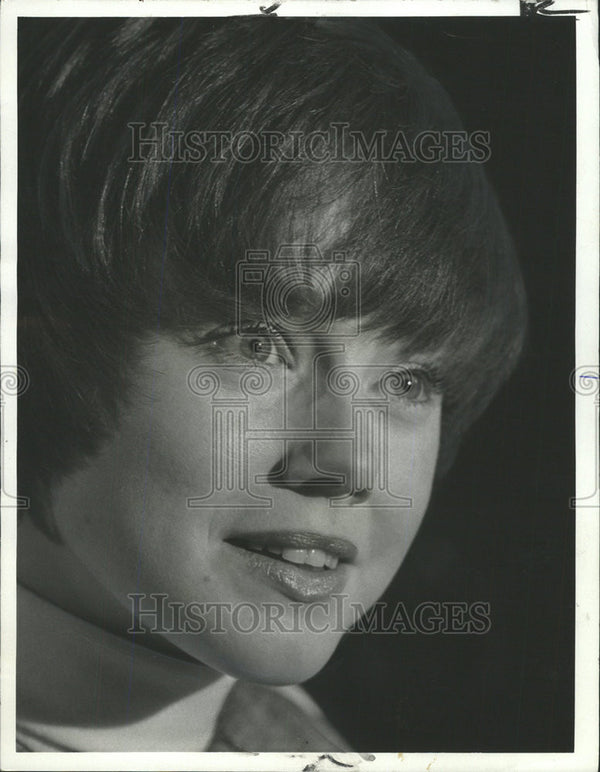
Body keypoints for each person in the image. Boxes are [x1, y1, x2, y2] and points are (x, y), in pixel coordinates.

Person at [16, 16, 527, 752]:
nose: (349, 467)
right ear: (39, 356)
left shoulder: (299, 734)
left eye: (410, 380)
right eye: (257, 343)